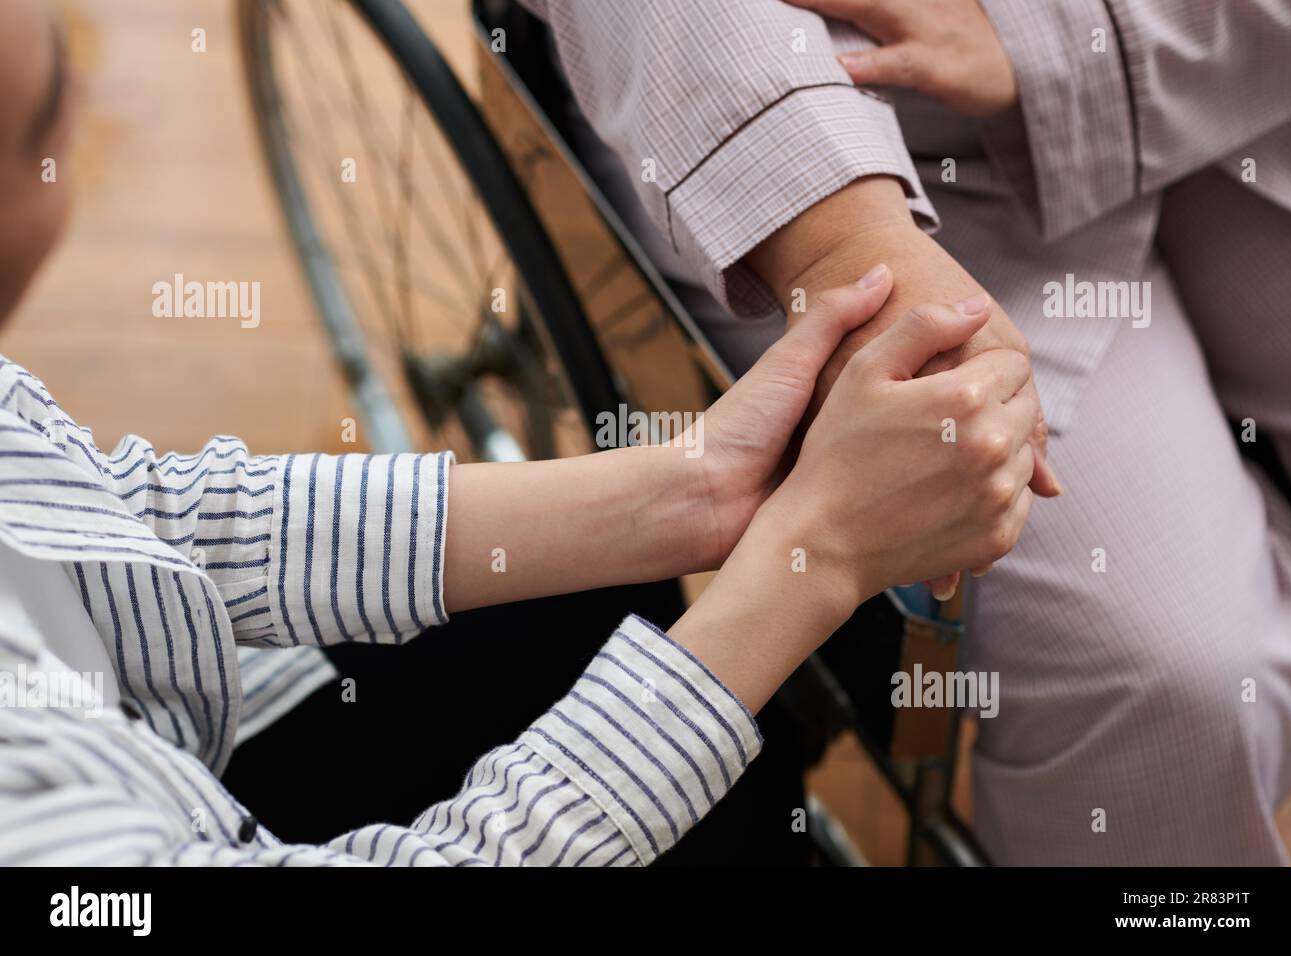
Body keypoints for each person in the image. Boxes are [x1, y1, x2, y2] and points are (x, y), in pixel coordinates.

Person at [0, 0, 1038, 865]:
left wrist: (698, 485)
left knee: (609, 603)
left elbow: (119, 512)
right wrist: (820, 560)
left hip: (163, 736)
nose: (83, 84)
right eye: (49, 115)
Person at [524, 0, 1291, 864]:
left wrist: (1071, 38)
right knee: (1176, 681)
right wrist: (842, 242)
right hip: (852, 138)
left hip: (1240, 76)